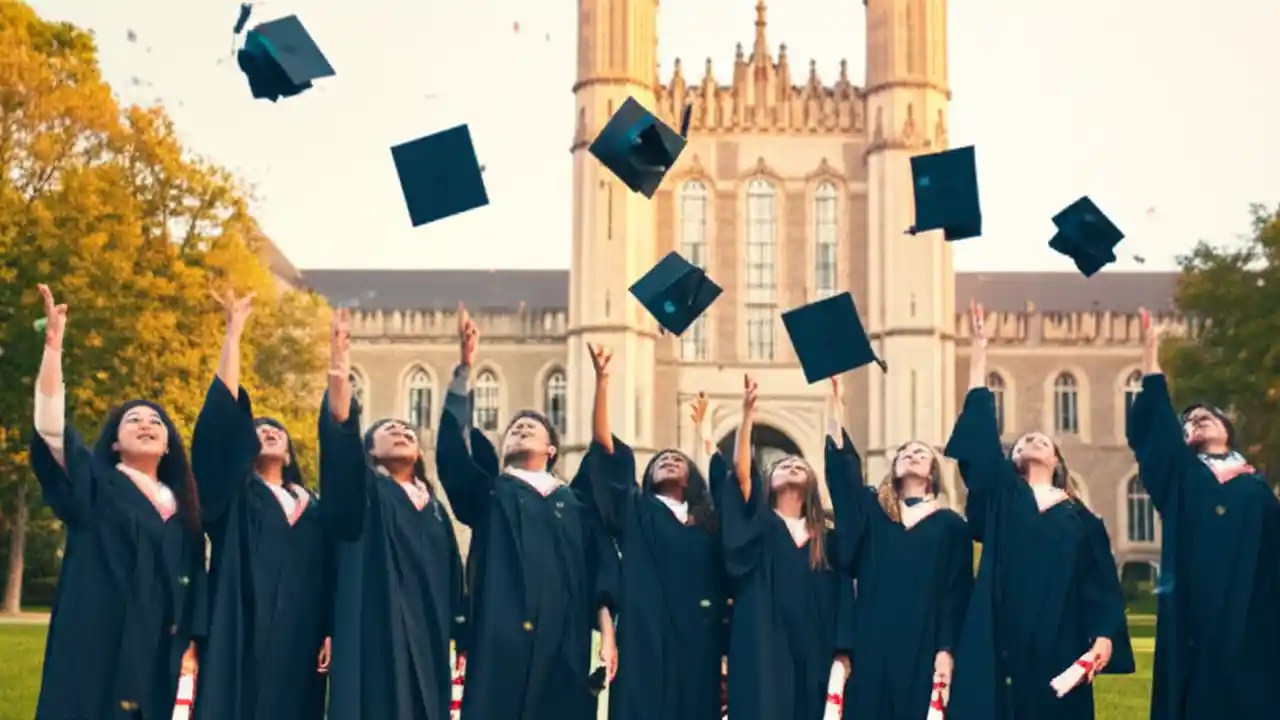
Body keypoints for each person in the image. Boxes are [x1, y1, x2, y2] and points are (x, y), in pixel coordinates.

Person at [945, 300, 1133, 720]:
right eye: (1023, 441)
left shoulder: (1082, 520)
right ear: (1012, 460)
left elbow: (1100, 586)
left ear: (1058, 462)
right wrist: (979, 355)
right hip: (999, 631)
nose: (1032, 441)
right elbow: (978, 440)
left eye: (1042, 441)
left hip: (1060, 638)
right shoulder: (1003, 495)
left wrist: (1103, 637)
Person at [28, 283, 207, 719]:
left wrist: (194, 643)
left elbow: (194, 587)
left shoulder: (184, 514)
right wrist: (53, 351)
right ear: (113, 443)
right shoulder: (95, 488)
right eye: (133, 420)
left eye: (156, 422)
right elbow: (52, 432)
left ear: (168, 446)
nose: (146, 424)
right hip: (96, 648)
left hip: (160, 658)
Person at [435, 304, 615, 720]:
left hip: (564, 644)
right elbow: (454, 454)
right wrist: (465, 368)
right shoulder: (491, 494)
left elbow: (601, 575)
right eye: (514, 427)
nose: (520, 428)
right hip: (500, 641)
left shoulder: (575, 504)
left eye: (531, 427)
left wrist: (608, 636)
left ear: (552, 449)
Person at [1128, 308, 1280, 719]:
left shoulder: (1256, 485)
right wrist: (1150, 357)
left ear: (1228, 428)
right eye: (1189, 422)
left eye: (1206, 416)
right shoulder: (1179, 475)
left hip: (1251, 607)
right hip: (1192, 606)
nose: (1197, 421)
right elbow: (1155, 432)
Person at [190, 289, 332, 720]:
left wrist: (329, 628)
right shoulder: (234, 497)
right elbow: (220, 422)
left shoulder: (314, 508)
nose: (268, 431)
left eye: (277, 430)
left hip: (302, 635)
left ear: (290, 453)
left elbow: (330, 573)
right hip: (240, 627)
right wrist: (233, 334)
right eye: (258, 429)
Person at [321, 308, 466, 720]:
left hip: (429, 640)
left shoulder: (434, 508)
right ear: (368, 449)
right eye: (389, 429)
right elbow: (339, 447)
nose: (403, 431)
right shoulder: (365, 493)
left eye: (408, 431)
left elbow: (454, 581)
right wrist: (338, 368)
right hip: (377, 635)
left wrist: (463, 631)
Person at [579, 342, 726, 720]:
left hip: (698, 640)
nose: (669, 460)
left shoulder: (707, 522)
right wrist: (603, 381)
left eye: (677, 459)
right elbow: (607, 451)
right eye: (660, 459)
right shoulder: (636, 510)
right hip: (647, 639)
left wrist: (707, 435)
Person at [821, 374, 973, 720]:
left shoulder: (951, 526)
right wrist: (837, 409)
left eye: (921, 453)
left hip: (923, 639)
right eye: (905, 452)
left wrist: (946, 649)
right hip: (873, 637)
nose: (912, 455)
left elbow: (956, 594)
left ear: (933, 473)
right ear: (894, 468)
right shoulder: (875, 513)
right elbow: (845, 483)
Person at [716, 373, 852, 720]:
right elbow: (741, 474)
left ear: (812, 482)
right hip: (763, 642)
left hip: (814, 643)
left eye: (798, 464)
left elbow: (843, 594)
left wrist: (837, 407)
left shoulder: (827, 539)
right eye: (782, 465)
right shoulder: (759, 525)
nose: (791, 465)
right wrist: (747, 415)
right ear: (769, 481)